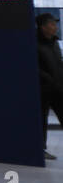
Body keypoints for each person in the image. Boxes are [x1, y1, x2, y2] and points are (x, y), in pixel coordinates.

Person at [36, 12, 61, 161]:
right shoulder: (34, 43)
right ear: (43, 27)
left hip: (58, 87)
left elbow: (59, 63)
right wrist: (47, 79)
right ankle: (41, 149)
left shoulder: (55, 43)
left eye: (54, 24)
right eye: (51, 24)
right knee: (41, 120)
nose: (55, 27)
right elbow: (34, 67)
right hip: (43, 90)